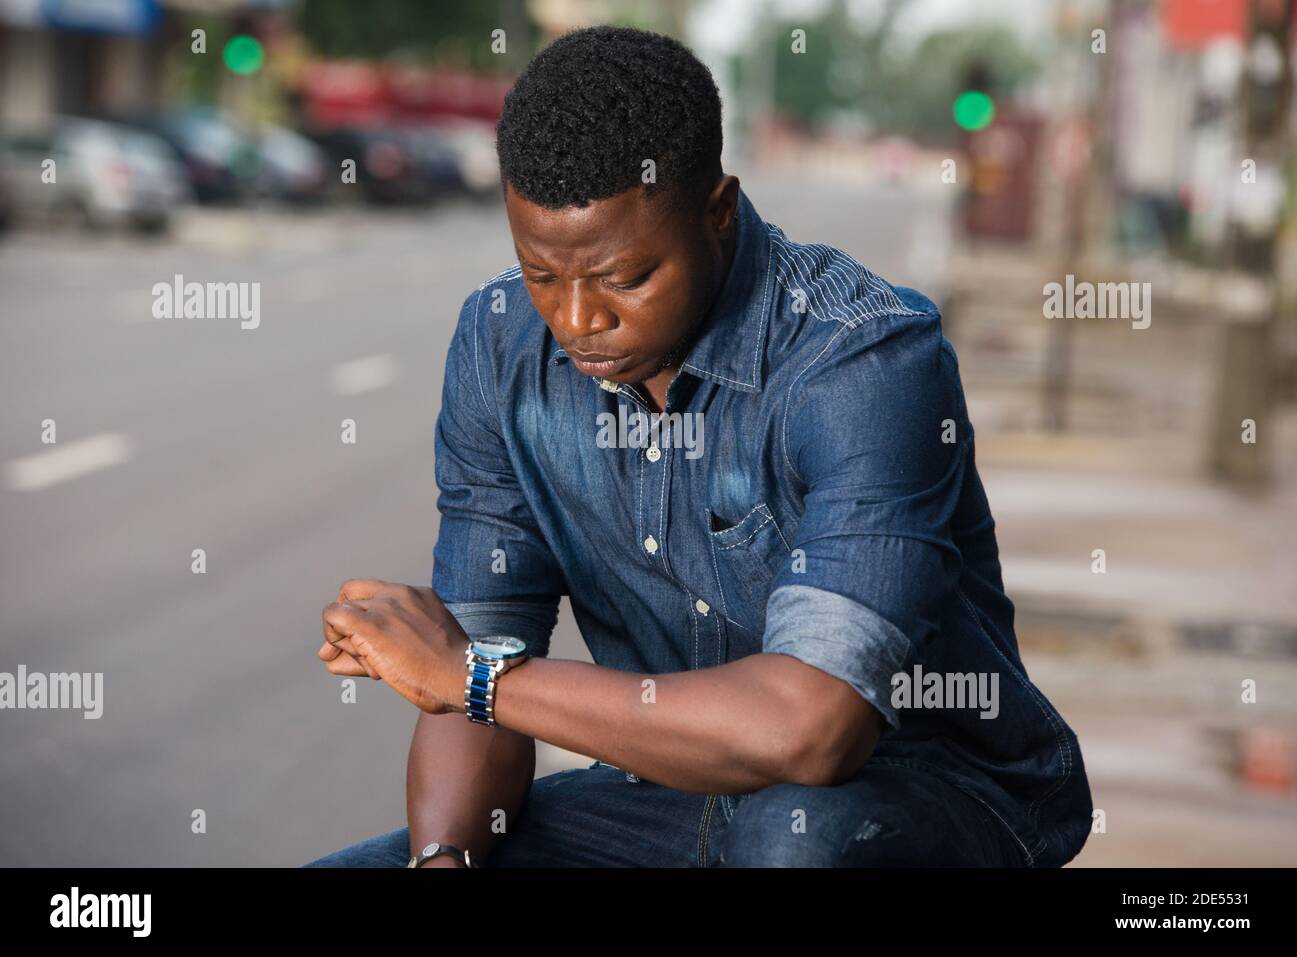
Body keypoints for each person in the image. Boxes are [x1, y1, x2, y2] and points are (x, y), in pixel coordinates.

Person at [304, 25, 1092, 869]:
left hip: (924, 794)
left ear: (717, 211)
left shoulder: (862, 361)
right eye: (541, 273)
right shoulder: (499, 346)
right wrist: (444, 857)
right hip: (671, 792)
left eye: (626, 278)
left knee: (798, 840)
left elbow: (811, 728)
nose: (576, 322)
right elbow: (469, 682)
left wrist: (477, 678)